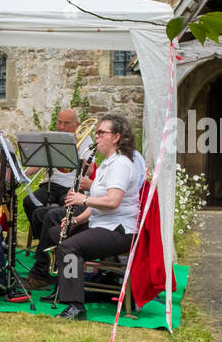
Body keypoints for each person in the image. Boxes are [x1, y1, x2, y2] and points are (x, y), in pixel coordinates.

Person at [24, 113, 144, 320]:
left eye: (101, 133)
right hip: (103, 223)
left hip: (119, 230)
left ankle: (75, 305)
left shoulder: (121, 164)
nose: (96, 137)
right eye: (96, 132)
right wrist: (76, 220)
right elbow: (99, 203)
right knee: (55, 233)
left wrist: (83, 200)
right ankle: (65, 285)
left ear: (116, 137)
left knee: (69, 247)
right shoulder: (109, 162)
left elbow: (112, 201)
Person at [22, 108, 84, 239]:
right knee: (29, 202)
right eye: (59, 122)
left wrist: (75, 153)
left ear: (76, 125)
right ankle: (42, 240)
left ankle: (61, 239)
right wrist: (25, 173)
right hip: (51, 184)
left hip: (70, 187)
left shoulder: (86, 140)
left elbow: (89, 170)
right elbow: (40, 162)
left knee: (66, 206)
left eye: (66, 123)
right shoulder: (51, 138)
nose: (61, 127)